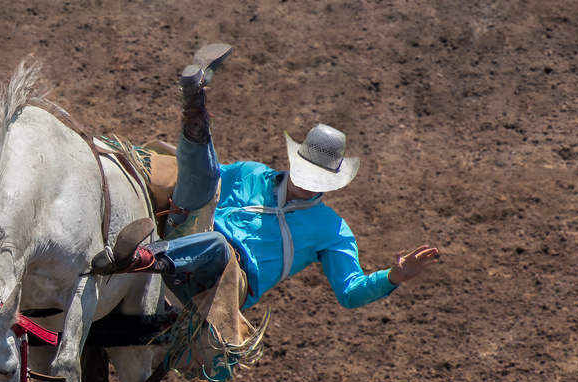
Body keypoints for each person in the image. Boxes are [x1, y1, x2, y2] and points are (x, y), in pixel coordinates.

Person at [90, 43, 440, 312]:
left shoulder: (332, 230)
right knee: (200, 173)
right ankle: (191, 101)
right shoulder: (252, 174)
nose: (308, 181)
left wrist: (395, 276)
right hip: (190, 229)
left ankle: (138, 259)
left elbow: (349, 292)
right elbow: (202, 180)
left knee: (218, 246)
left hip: (226, 281)